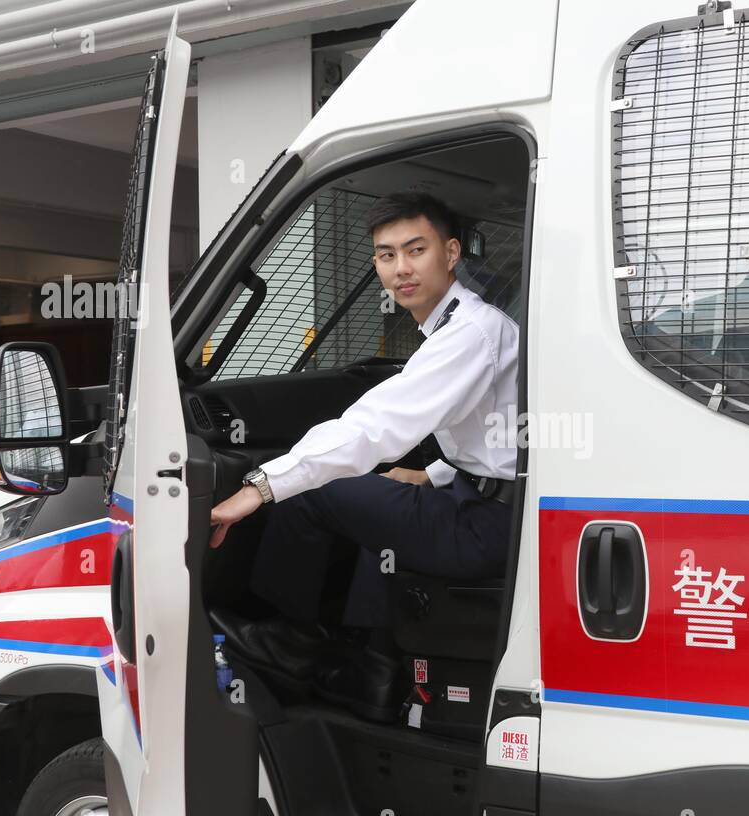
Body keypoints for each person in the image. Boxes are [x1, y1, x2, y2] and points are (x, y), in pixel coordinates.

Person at [208, 191, 518, 721]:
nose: (401, 268)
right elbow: (501, 432)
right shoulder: (457, 326)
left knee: (318, 491)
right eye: (386, 254)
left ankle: (291, 645)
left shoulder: (471, 333)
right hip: (484, 503)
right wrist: (432, 473)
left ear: (451, 253)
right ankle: (370, 671)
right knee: (383, 496)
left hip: (485, 525)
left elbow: (375, 427)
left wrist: (261, 486)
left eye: (415, 250)